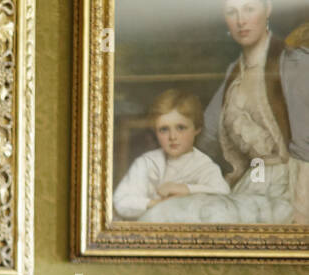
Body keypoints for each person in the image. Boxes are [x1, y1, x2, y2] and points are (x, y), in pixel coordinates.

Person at [141, 0, 309, 224]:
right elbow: (206, 141)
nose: (241, 21)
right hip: (249, 187)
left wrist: (302, 218)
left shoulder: (294, 64)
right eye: (232, 12)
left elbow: (306, 147)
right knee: (166, 212)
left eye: (249, 9)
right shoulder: (234, 73)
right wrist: (183, 184)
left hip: (289, 193)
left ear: (267, 9)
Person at [113, 90, 231, 220]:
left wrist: (185, 189)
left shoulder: (204, 165)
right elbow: (121, 201)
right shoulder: (147, 162)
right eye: (164, 129)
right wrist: (156, 204)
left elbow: (223, 192)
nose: (172, 137)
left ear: (197, 129)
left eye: (181, 128)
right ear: (155, 131)